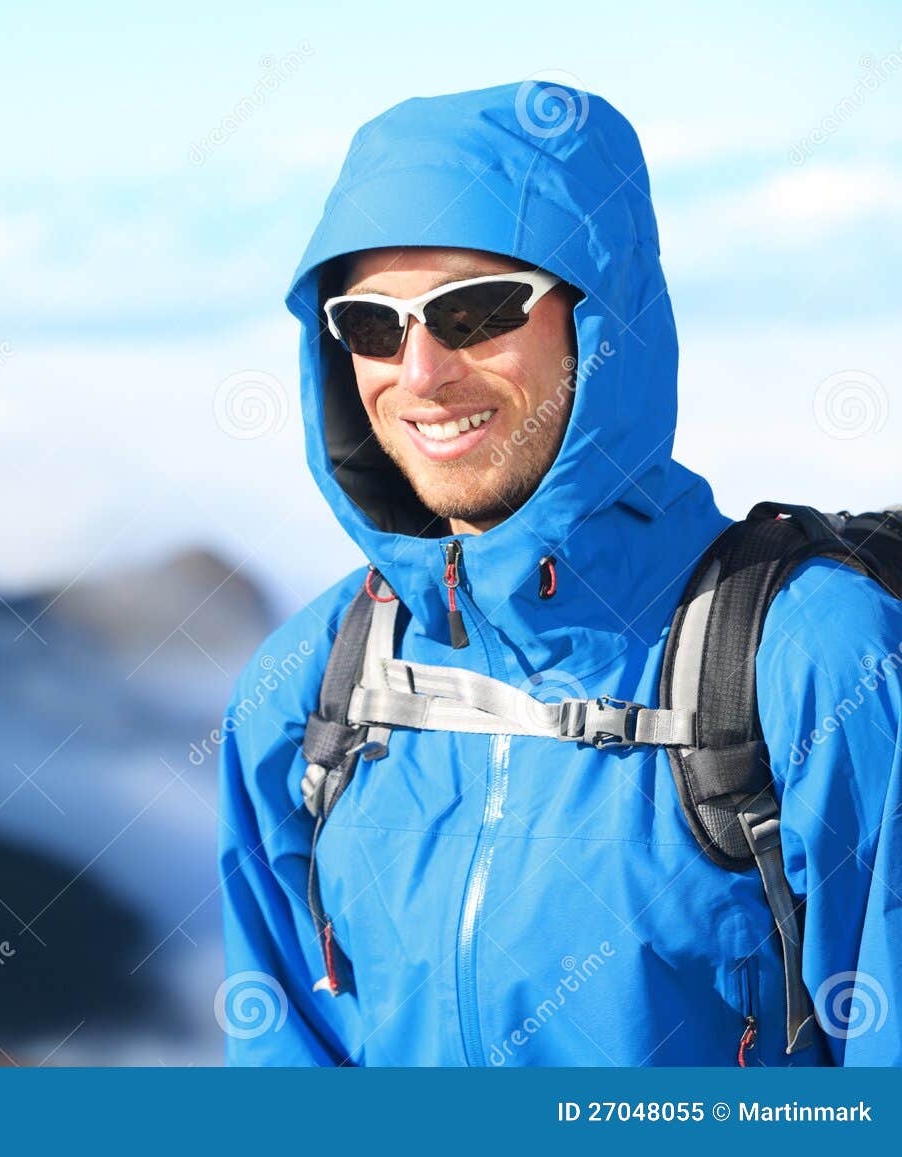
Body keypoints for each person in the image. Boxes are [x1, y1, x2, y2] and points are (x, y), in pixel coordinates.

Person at [217, 80, 902, 1066]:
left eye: (476, 309)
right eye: (372, 323)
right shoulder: (307, 687)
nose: (418, 373)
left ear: (602, 317)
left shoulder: (814, 659)